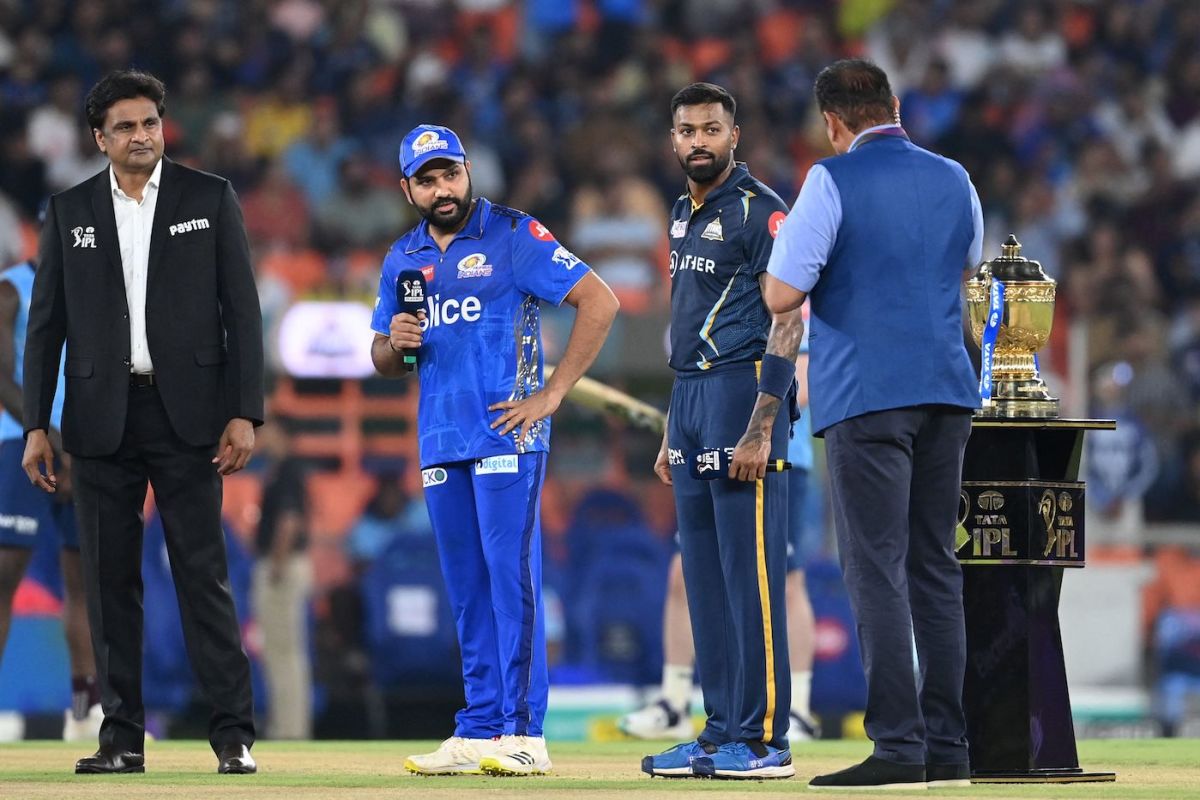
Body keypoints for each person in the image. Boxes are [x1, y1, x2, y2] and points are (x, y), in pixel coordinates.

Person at [21, 69, 263, 776]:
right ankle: (121, 737)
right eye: (125, 126)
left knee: (202, 576)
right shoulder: (68, 211)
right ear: (100, 138)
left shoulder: (209, 198)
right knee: (108, 583)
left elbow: (241, 312)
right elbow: (46, 328)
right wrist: (38, 422)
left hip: (189, 415)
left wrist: (246, 411)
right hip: (99, 418)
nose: (140, 136)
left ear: (163, 127)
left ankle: (233, 736)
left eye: (150, 123)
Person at [371, 124, 618, 776]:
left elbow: (600, 300)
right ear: (407, 189)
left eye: (450, 173)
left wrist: (555, 392)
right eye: (426, 179)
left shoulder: (513, 233)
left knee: (513, 581)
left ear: (467, 171)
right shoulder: (403, 257)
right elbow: (383, 360)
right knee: (466, 590)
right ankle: (479, 729)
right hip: (440, 439)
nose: (442, 188)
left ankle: (525, 735)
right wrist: (393, 341)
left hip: (511, 433)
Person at [763, 58, 982, 790]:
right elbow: (967, 271)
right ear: (894, 103)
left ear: (831, 123)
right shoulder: (956, 178)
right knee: (935, 569)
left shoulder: (831, 180)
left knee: (876, 570)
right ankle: (949, 747)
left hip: (867, 395)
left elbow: (782, 293)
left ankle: (898, 747)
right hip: (950, 392)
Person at [643, 83, 805, 781]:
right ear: (674, 139)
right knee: (705, 579)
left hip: (745, 392)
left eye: (711, 129)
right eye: (687, 130)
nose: (698, 141)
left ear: (733, 136)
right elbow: (688, 317)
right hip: (691, 399)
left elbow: (788, 318)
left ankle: (766, 741)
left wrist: (764, 422)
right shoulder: (682, 211)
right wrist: (672, 427)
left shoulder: (763, 212)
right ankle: (718, 734)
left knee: (754, 578)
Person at [620, 326, 820, 744]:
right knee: (686, 573)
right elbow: (689, 377)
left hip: (777, 456)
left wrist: (739, 408)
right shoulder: (687, 307)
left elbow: (799, 378)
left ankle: (796, 707)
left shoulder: (778, 293)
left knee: (784, 579)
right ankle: (675, 702)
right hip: (707, 450)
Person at [0, 205, 102, 743]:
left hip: (81, 448)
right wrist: (47, 436)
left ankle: (88, 713)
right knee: (3, 577)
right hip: (22, 443)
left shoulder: (92, 294)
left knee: (86, 584)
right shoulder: (12, 288)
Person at [251, 418, 312, 740]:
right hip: (284, 564)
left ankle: (289, 730)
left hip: (283, 566)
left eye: (269, 431)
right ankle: (286, 725)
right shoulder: (281, 469)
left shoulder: (288, 470)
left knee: (284, 652)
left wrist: (276, 562)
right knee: (280, 652)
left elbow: (289, 520)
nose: (263, 437)